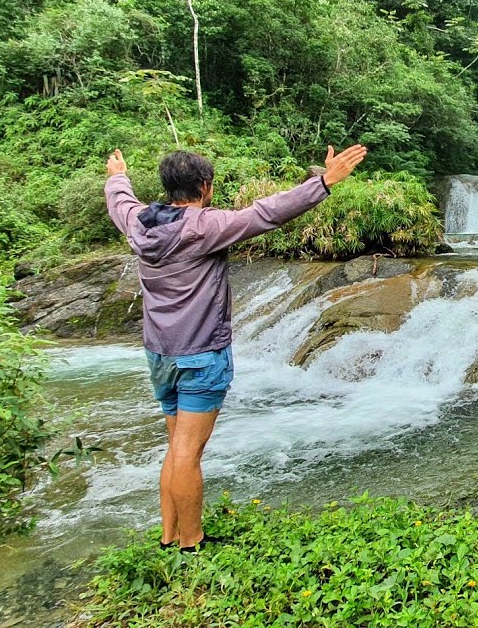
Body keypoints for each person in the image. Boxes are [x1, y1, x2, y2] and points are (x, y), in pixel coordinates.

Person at [104, 144, 367, 551]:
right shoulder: (206, 226)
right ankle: (192, 544)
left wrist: (117, 175)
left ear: (168, 187)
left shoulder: (140, 223)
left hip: (159, 352)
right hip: (200, 354)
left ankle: (168, 535)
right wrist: (324, 182)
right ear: (205, 186)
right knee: (188, 453)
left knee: (176, 447)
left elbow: (120, 201)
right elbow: (265, 212)